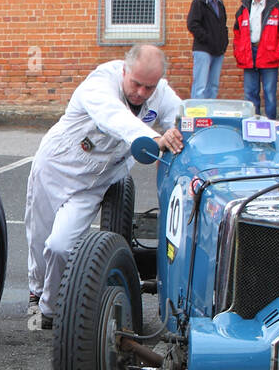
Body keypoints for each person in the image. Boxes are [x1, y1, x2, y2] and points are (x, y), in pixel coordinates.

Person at [25, 45, 184, 330]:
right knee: (40, 241)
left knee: (60, 246)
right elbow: (115, 118)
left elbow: (180, 116)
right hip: (56, 169)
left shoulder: (159, 92)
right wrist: (153, 137)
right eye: (136, 84)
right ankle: (36, 292)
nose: (141, 93)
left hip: (94, 184)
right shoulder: (99, 84)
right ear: (124, 70)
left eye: (150, 87)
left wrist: (176, 131)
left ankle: (50, 310)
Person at [232, 0, 279, 119]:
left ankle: (271, 125)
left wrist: (278, 53)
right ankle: (253, 126)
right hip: (249, 54)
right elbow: (237, 32)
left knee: (269, 93)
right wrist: (239, 52)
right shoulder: (244, 8)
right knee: (250, 94)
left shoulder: (275, 7)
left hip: (269, 55)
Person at [187, 0, 228, 100]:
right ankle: (197, 115)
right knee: (200, 86)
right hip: (203, 50)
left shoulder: (220, 4)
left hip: (218, 51)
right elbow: (192, 24)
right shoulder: (199, 2)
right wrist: (207, 39)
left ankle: (209, 114)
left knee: (213, 86)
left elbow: (223, 26)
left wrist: (224, 42)